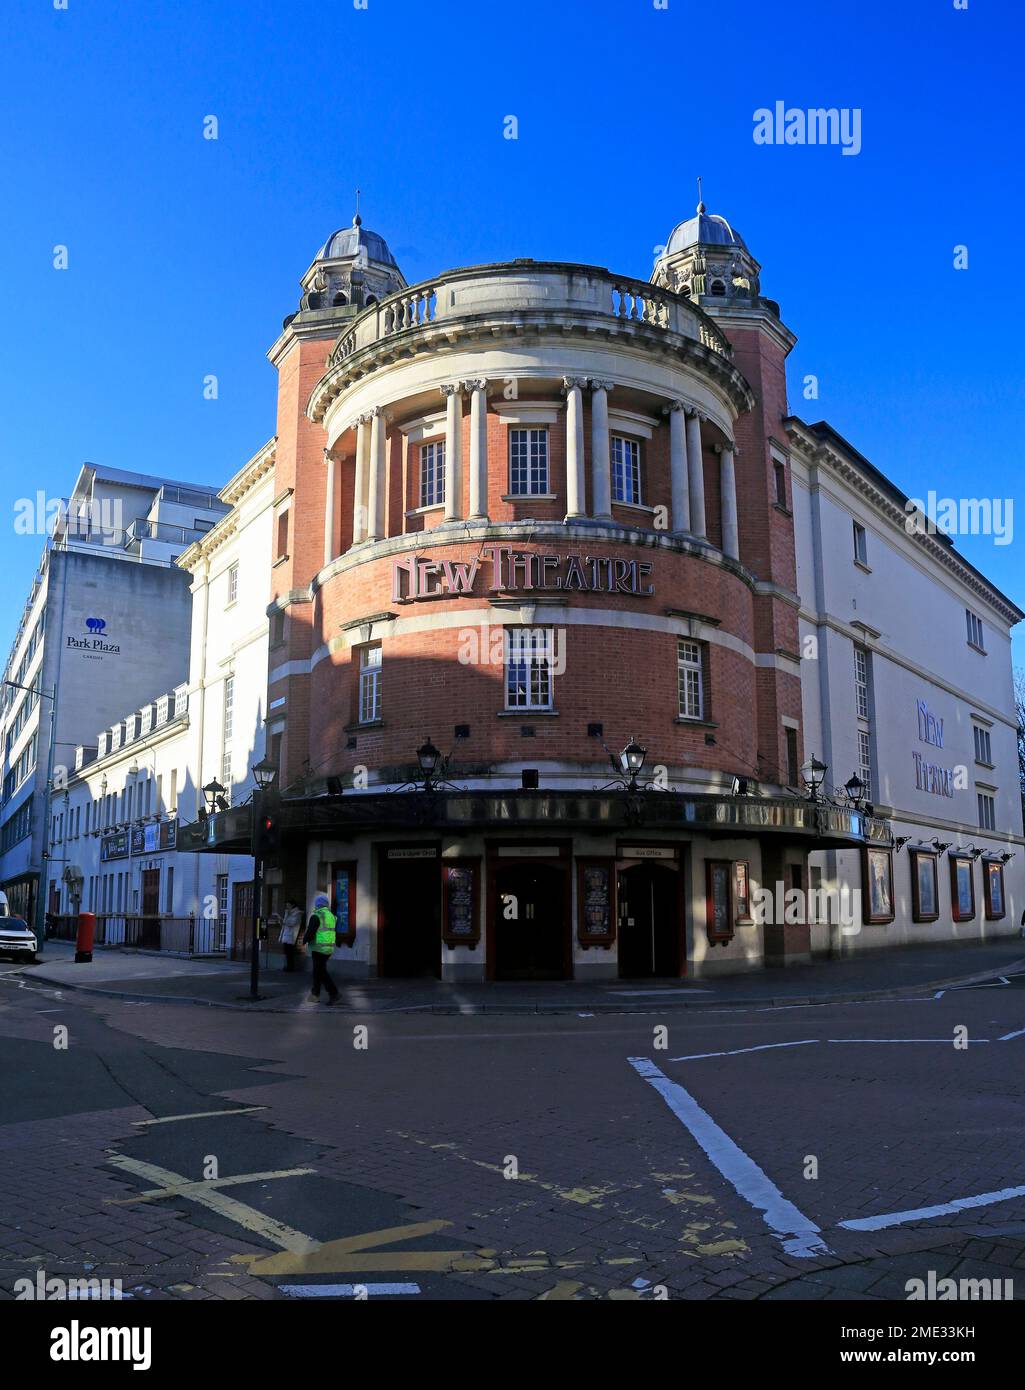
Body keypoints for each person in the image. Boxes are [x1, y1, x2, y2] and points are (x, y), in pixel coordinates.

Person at [304, 894, 340, 1003]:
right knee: (317, 970)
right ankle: (315, 994)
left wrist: (304, 940)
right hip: (328, 948)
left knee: (320, 971)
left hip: (318, 948)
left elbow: (311, 931)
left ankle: (334, 993)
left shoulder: (317, 915)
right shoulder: (331, 915)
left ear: (317, 904)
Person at [278, 898, 304, 973]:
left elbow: (292, 923)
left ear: (293, 905)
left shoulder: (297, 913)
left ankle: (290, 967)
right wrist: (281, 920)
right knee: (286, 951)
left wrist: (284, 920)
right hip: (286, 934)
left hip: (291, 934)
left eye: (288, 904)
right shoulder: (288, 912)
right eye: (286, 905)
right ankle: (288, 966)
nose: (287, 906)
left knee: (290, 952)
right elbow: (285, 923)